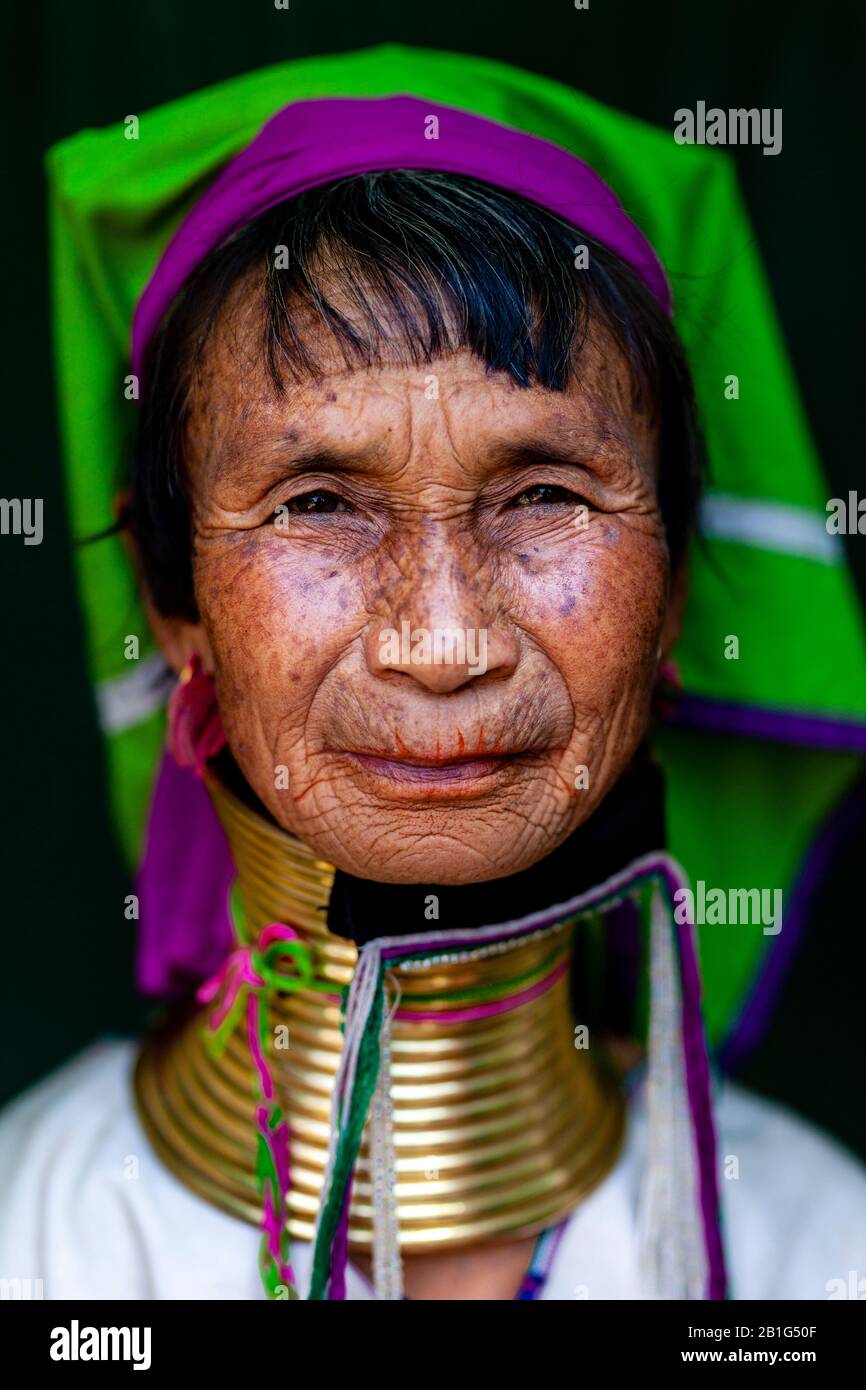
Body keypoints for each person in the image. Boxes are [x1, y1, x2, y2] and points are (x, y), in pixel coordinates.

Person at [1, 44, 865, 1302]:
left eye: (545, 496)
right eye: (315, 503)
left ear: (672, 585)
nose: (444, 640)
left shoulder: (819, 1254)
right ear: (170, 597)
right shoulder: (36, 1244)